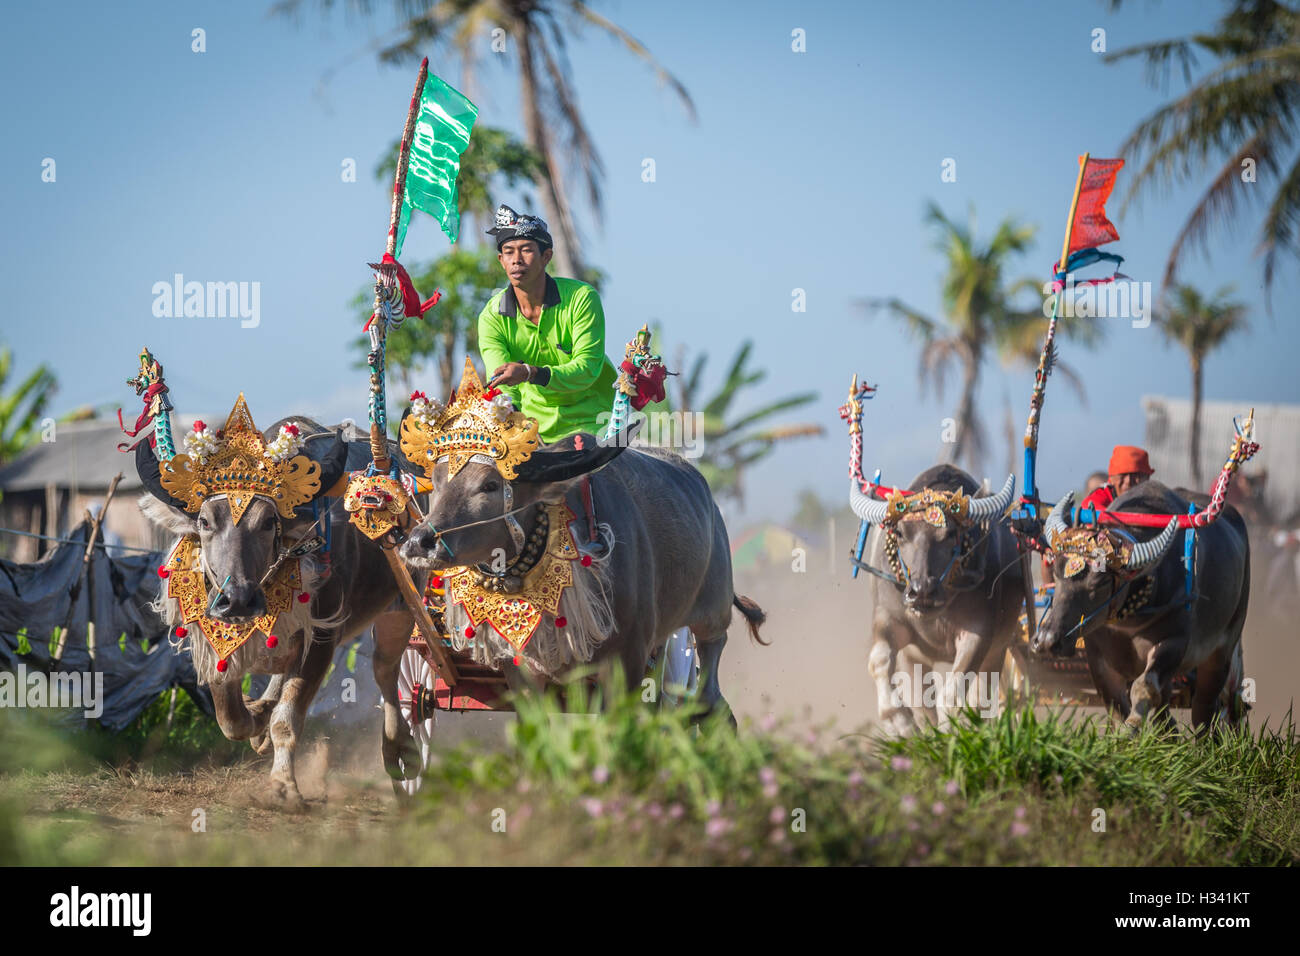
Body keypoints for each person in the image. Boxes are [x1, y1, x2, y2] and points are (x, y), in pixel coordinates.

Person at [477, 204, 619, 444]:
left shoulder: (581, 298)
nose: (517, 260)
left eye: (526, 250)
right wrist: (509, 421)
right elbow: (502, 386)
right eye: (509, 252)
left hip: (595, 422)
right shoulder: (491, 317)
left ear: (546, 256)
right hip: (534, 430)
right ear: (501, 260)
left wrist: (531, 373)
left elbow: (587, 369)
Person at [1080, 445, 1155, 512]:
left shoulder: (1155, 501)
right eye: (1123, 475)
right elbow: (1088, 506)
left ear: (1147, 478)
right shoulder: (1103, 495)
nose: (1128, 481)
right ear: (1111, 478)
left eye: (1136, 475)